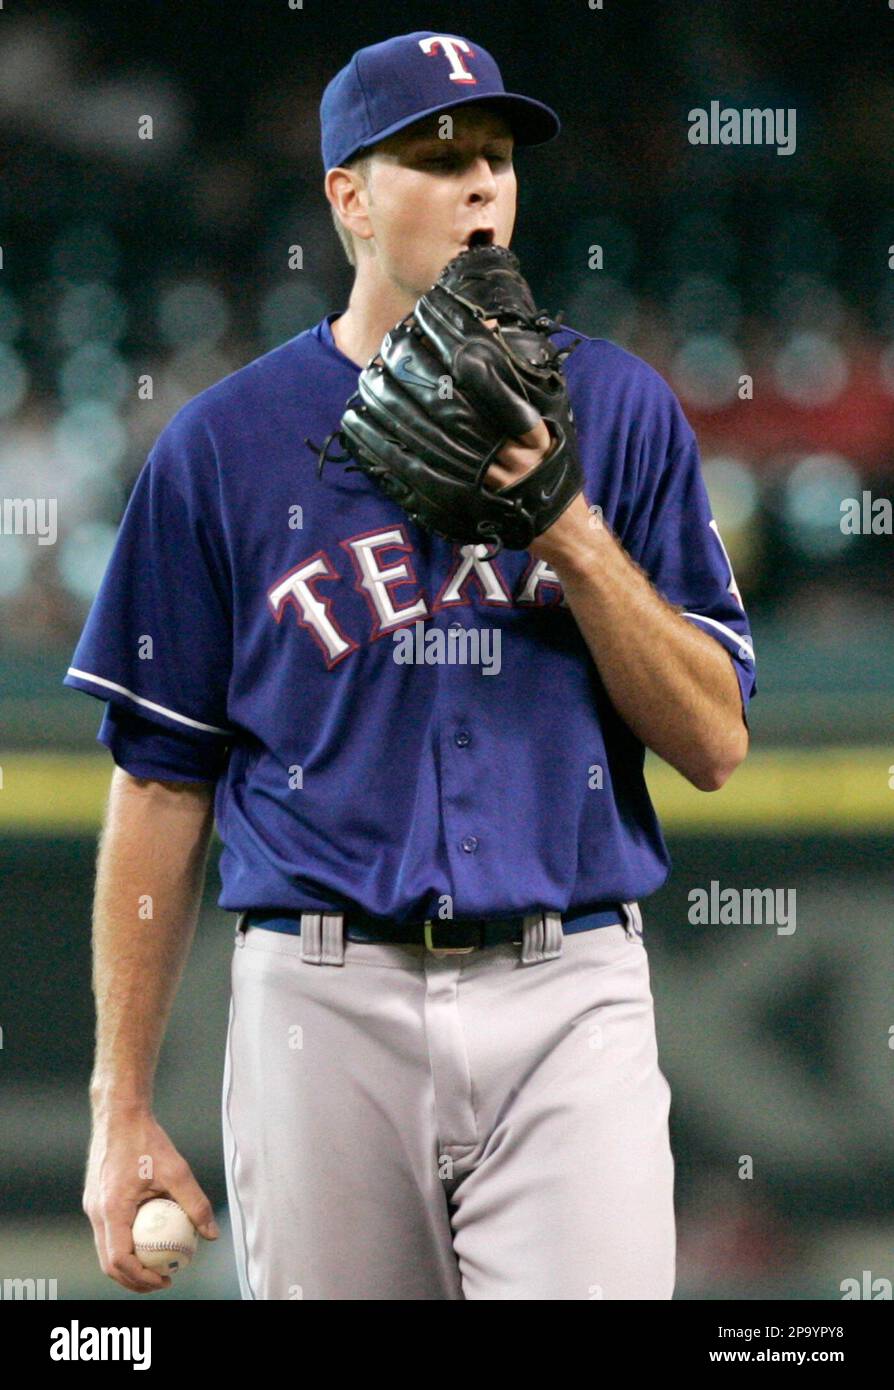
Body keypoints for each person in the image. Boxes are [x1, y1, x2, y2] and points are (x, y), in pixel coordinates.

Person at [66, 31, 756, 1300]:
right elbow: (160, 782)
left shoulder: (621, 413)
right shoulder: (226, 444)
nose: (482, 182)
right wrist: (119, 1112)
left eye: (497, 156)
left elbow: (713, 742)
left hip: (570, 990)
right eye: (438, 158)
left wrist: (569, 531)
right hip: (319, 1001)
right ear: (348, 198)